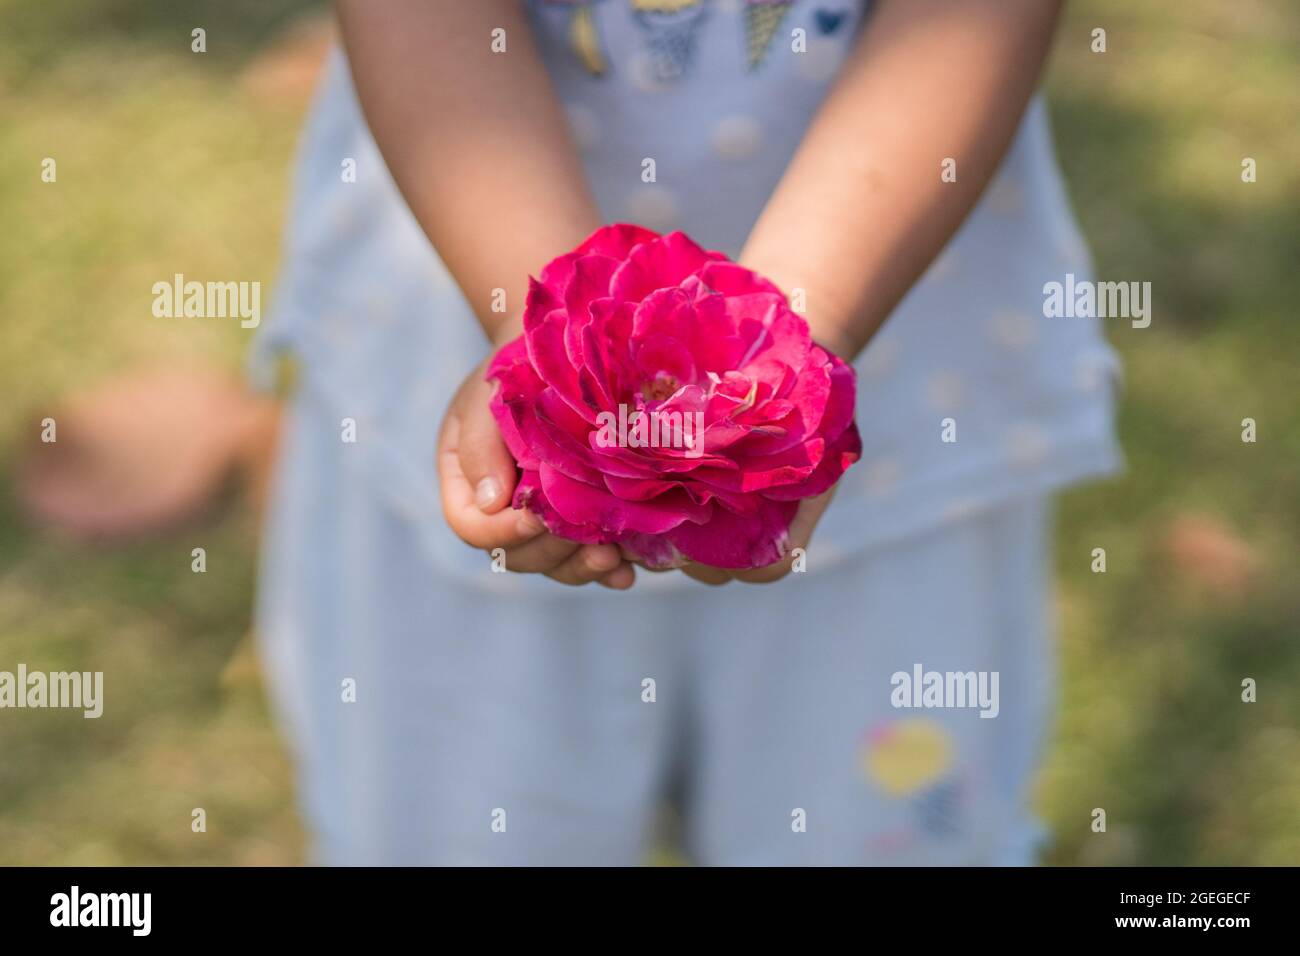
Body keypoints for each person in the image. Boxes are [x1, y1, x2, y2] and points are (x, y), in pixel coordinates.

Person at [252, 0, 1121, 864]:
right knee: (468, 827)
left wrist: (796, 352)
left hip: (904, 386)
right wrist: (535, 332)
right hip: (461, 280)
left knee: (867, 836)